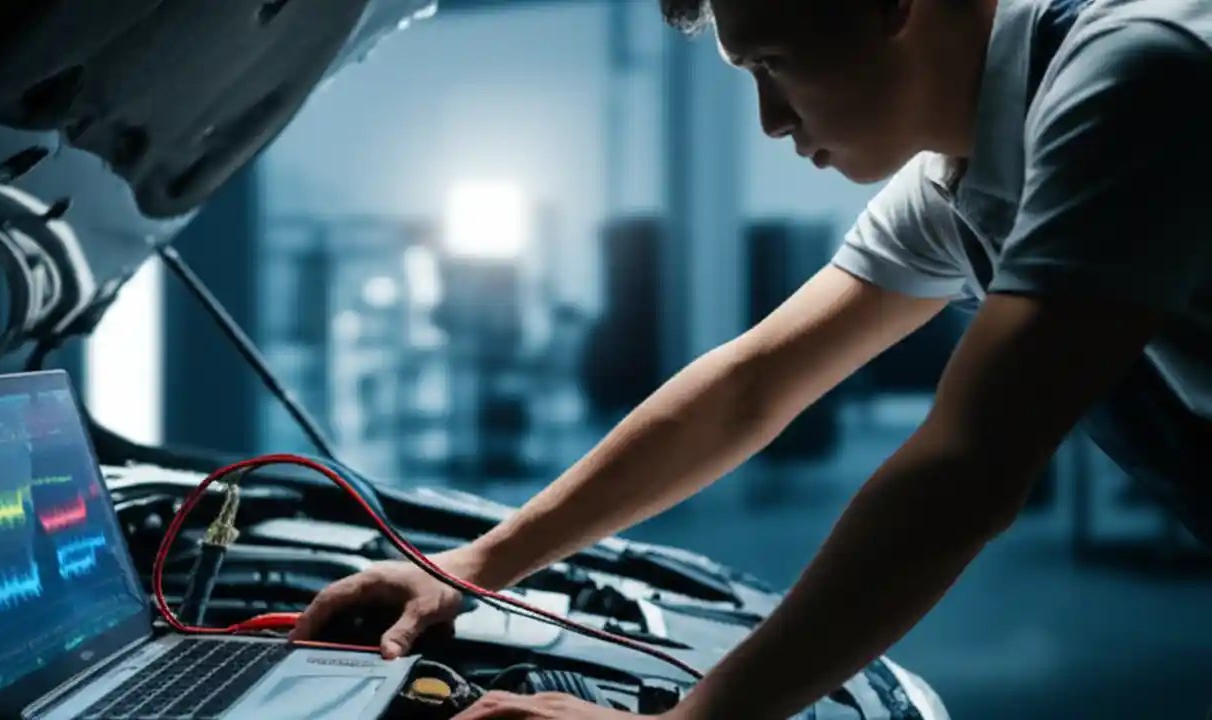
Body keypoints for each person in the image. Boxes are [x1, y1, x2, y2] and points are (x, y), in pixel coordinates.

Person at [291, 0, 1212, 716]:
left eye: (774, 61)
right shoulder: (955, 181)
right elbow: (748, 387)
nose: (771, 119)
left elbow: (970, 465)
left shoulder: (1135, 75)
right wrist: (473, 566)